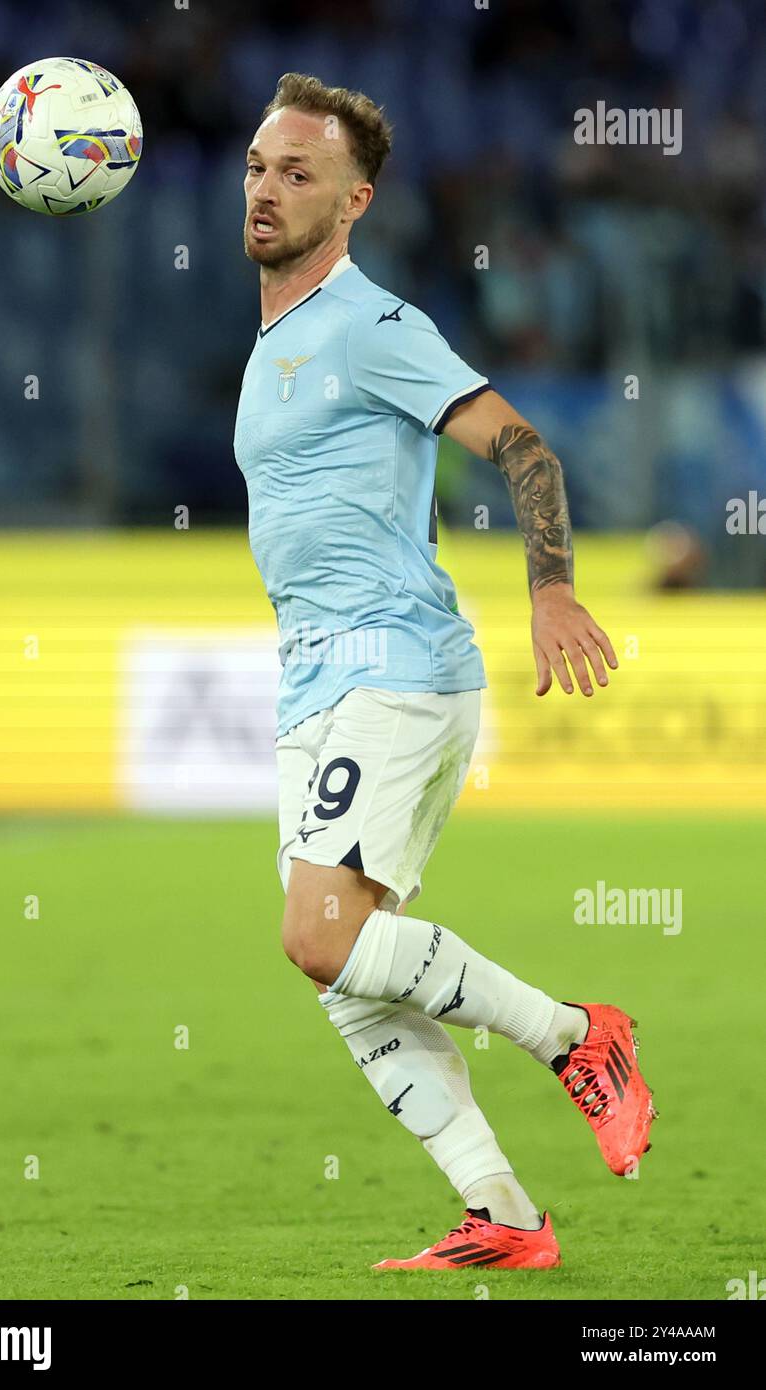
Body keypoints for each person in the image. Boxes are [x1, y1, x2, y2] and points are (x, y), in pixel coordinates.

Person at [234, 72, 655, 1271]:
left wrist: (551, 586)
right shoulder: (272, 344)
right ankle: (505, 1216)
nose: (267, 189)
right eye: (259, 166)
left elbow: (519, 443)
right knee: (349, 976)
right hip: (311, 682)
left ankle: (578, 1035)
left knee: (317, 936)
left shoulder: (371, 327)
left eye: (298, 173)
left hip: (397, 666)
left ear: (353, 200)